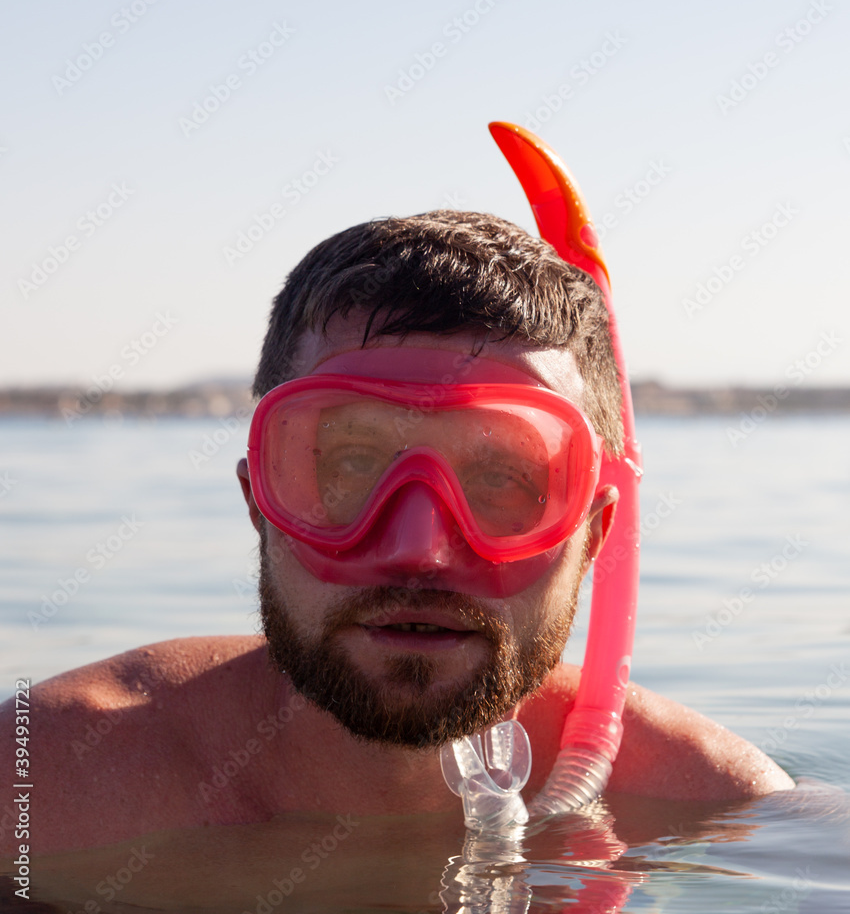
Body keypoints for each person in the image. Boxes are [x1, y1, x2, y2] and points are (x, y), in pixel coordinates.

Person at [0, 209, 793, 857]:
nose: (419, 549)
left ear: (593, 533)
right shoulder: (45, 786)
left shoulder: (721, 811)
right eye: (348, 465)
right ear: (258, 499)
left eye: (501, 480)